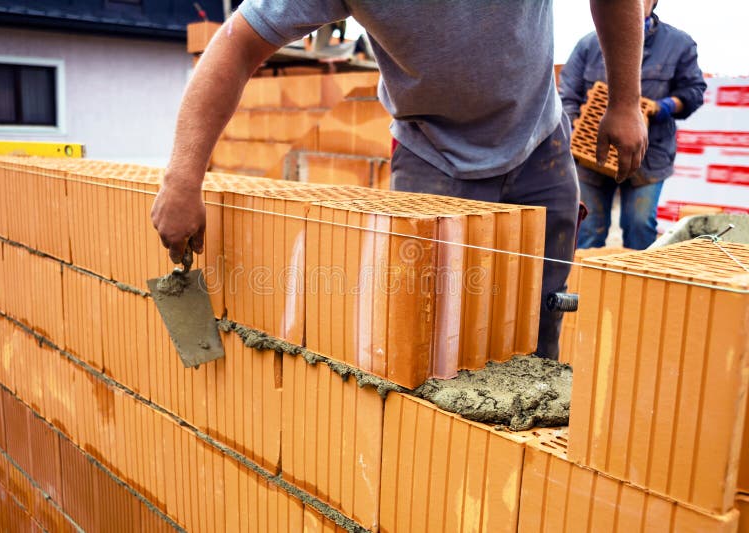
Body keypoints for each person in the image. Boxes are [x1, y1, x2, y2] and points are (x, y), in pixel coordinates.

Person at [151, 1, 649, 360]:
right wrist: (182, 178)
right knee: (433, 341)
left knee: (541, 316)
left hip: (540, 143)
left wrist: (625, 100)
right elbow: (236, 46)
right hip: (431, 155)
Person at [560, 0, 706, 250]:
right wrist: (580, 126)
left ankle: (637, 284)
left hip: (649, 157)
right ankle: (584, 285)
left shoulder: (679, 44)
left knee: (639, 226)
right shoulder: (588, 44)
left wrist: (664, 107)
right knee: (587, 229)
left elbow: (693, 91)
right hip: (592, 155)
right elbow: (567, 94)